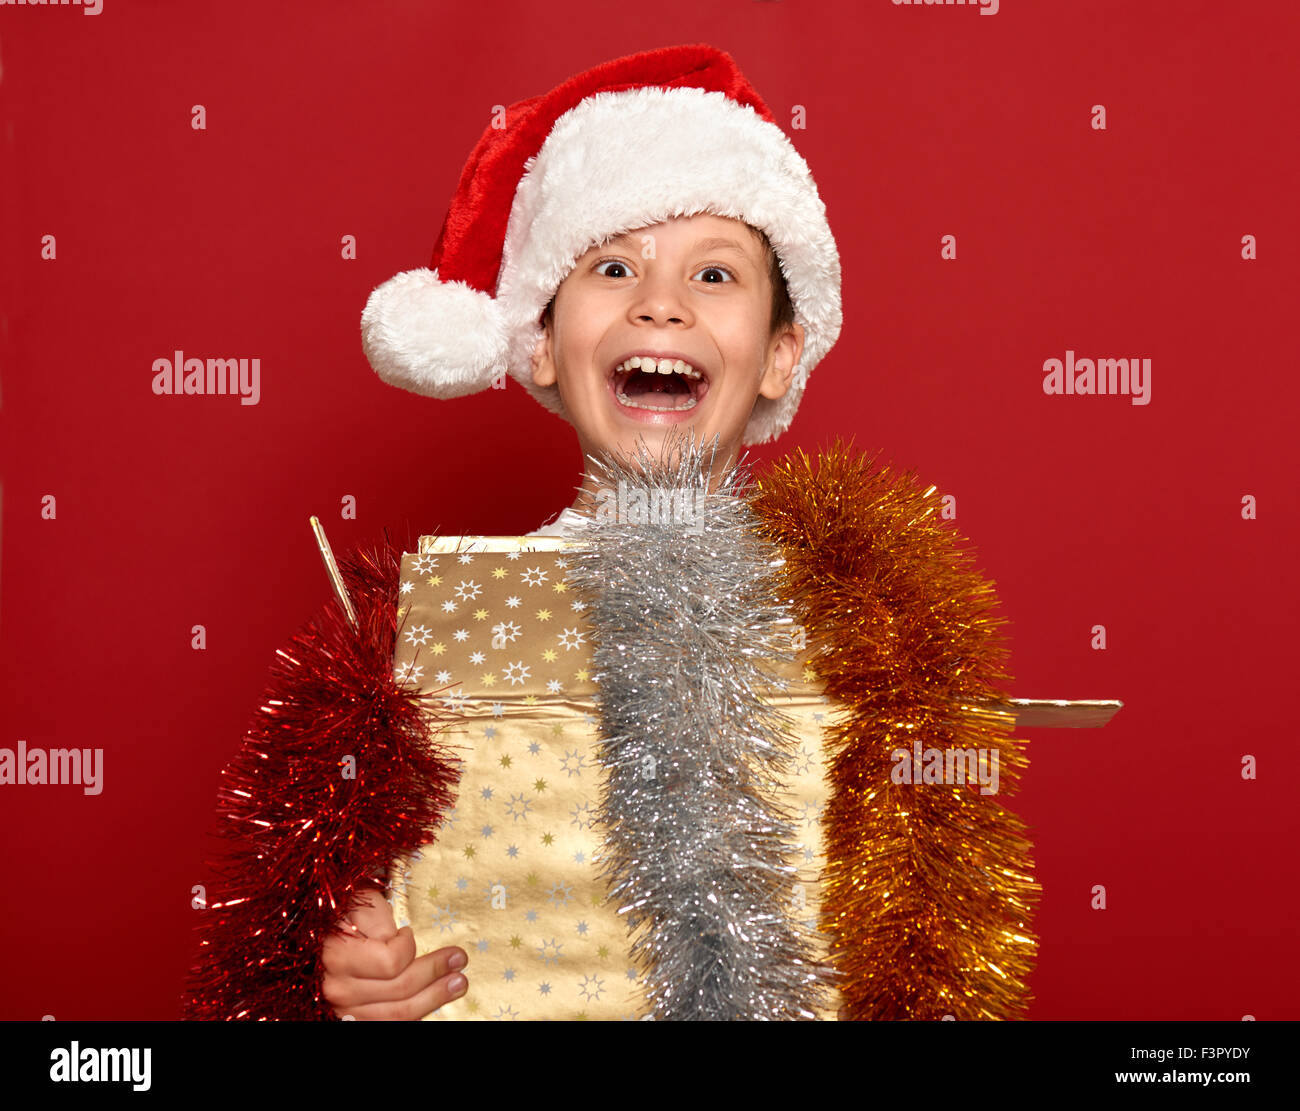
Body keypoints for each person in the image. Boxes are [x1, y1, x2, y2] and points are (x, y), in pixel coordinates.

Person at [185, 43, 1036, 1022]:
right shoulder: (418, 645)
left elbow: (942, 948)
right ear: (539, 342)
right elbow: (288, 948)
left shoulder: (871, 633)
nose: (659, 302)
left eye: (713, 274)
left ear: (779, 356)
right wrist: (341, 975)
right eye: (613, 265)